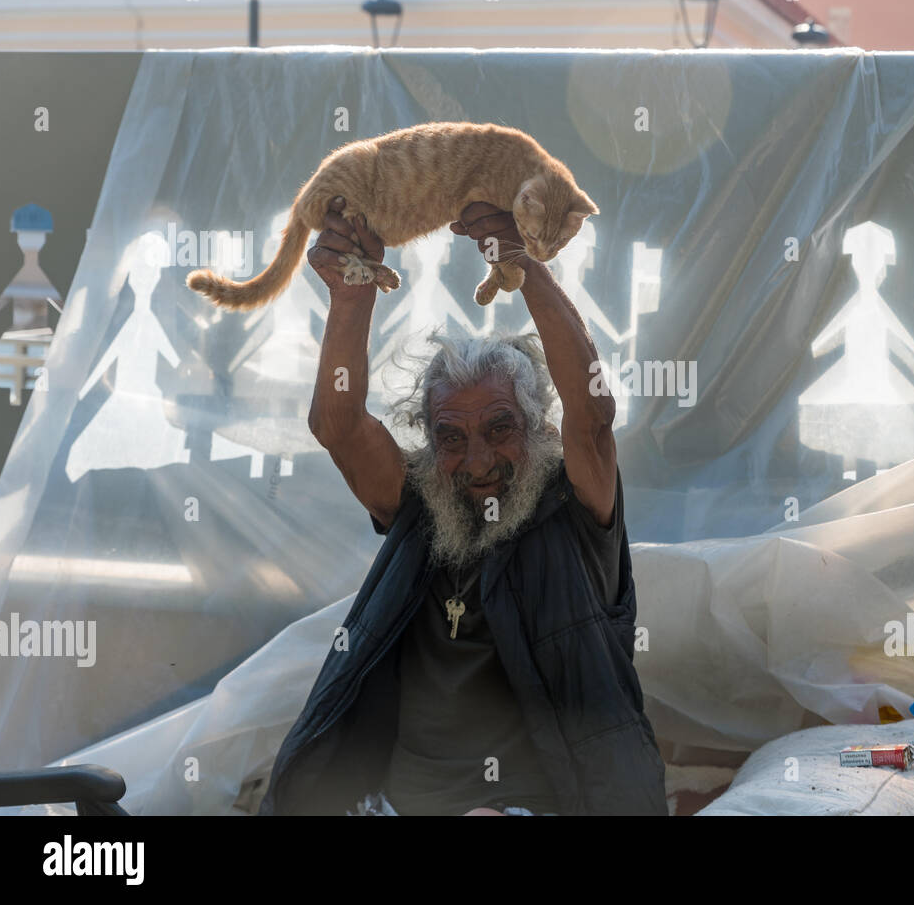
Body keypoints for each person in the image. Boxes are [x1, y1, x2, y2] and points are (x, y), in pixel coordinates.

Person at [257, 197, 667, 816]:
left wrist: (523, 264)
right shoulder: (420, 502)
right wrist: (351, 297)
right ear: (429, 443)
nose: (477, 462)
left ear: (538, 428)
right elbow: (338, 428)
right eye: (451, 438)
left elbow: (592, 410)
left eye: (500, 429)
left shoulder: (576, 503)